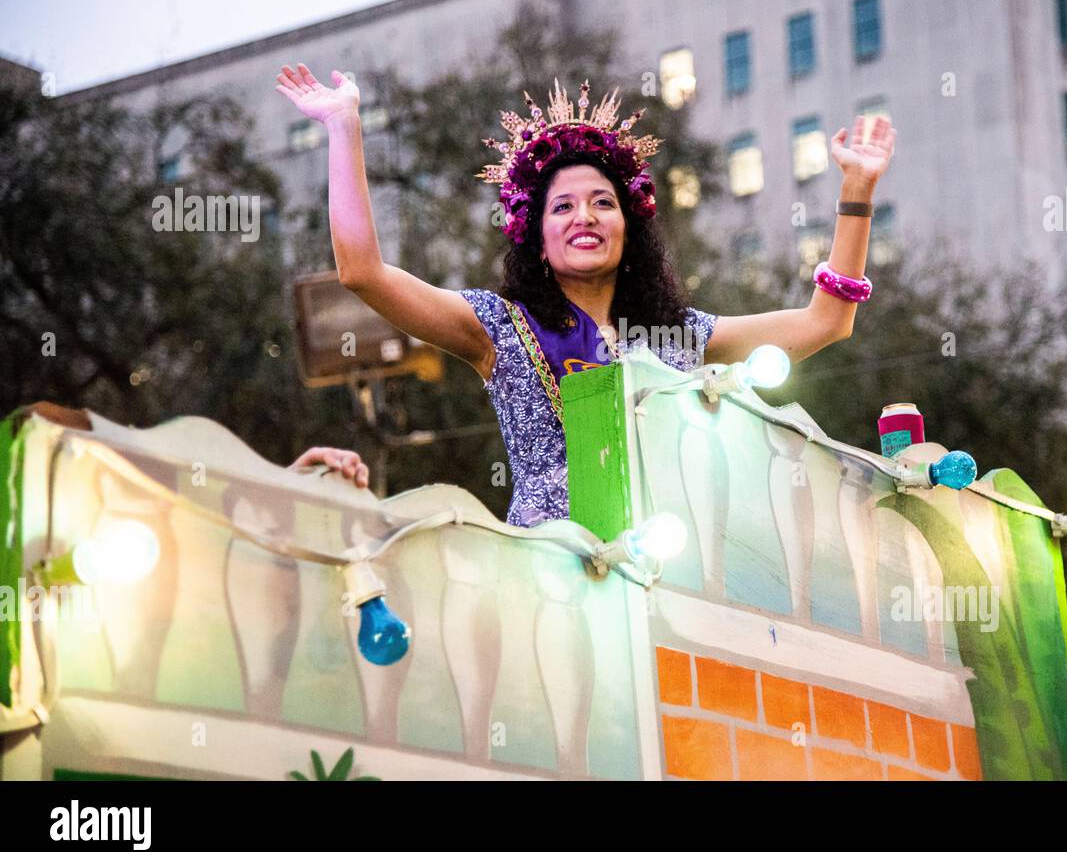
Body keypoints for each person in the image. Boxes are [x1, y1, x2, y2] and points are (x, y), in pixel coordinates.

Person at [276, 63, 895, 525]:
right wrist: (343, 126)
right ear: (536, 237)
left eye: (604, 203)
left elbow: (827, 322)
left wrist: (857, 191)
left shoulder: (680, 336)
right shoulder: (496, 328)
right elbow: (363, 272)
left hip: (675, 576)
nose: (586, 218)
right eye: (563, 206)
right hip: (554, 581)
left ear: (630, 227)